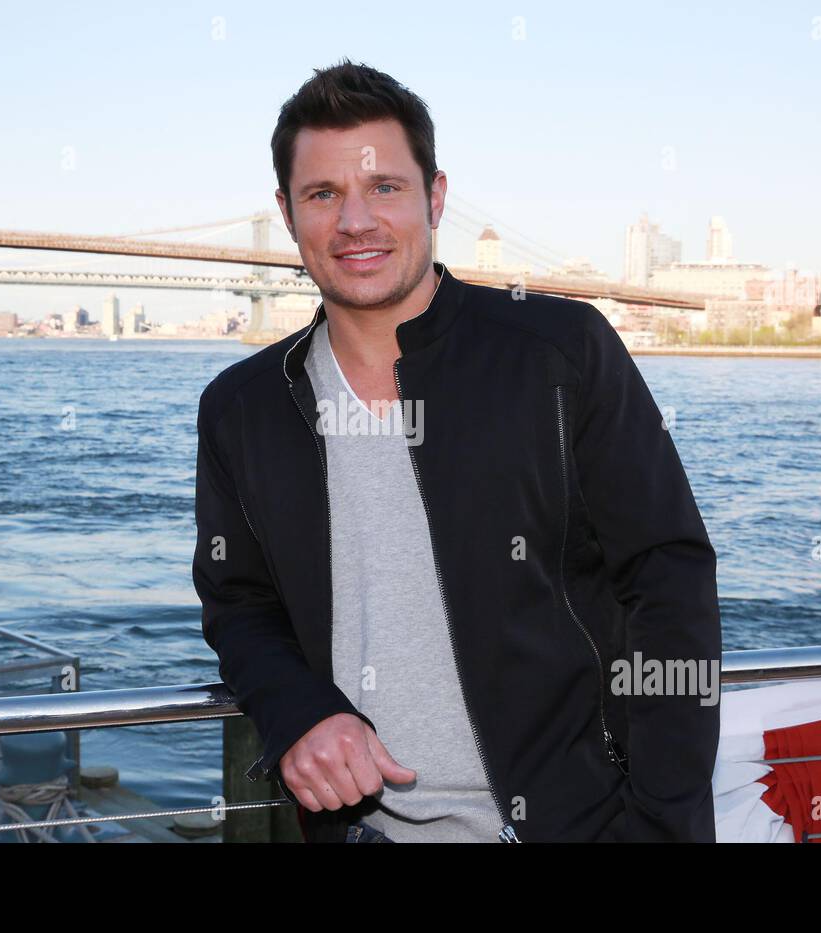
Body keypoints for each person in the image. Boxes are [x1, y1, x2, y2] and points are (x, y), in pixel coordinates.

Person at [194, 58, 721, 843]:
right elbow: (240, 603)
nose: (356, 222)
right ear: (287, 210)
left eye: (385, 187)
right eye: (323, 194)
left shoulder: (563, 351)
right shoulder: (241, 407)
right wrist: (298, 709)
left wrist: (661, 820)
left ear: (435, 196)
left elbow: (668, 580)